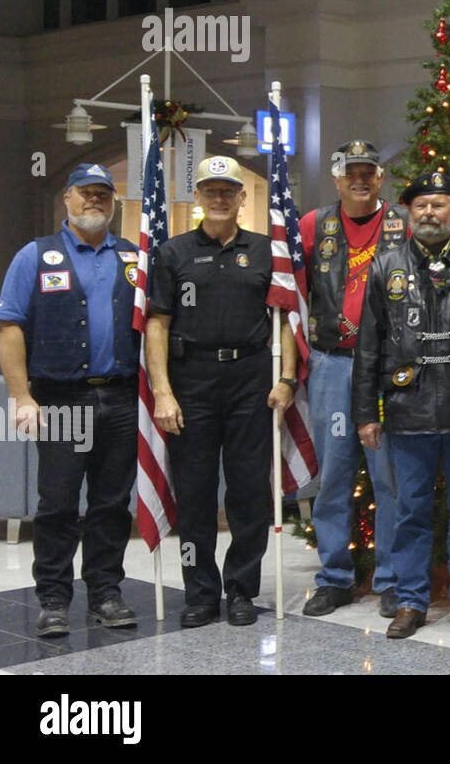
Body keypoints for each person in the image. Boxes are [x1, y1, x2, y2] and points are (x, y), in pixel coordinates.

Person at [145, 156, 296, 628]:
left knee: (250, 492)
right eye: (210, 190)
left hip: (250, 380)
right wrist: (163, 392)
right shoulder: (173, 253)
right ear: (198, 196)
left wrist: (287, 379)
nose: (218, 198)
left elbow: (285, 318)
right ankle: (201, 592)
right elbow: (157, 324)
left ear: (240, 197)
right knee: (194, 494)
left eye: (227, 190)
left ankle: (241, 590)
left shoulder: (266, 251)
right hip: (191, 381)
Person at [0, 164, 140, 637]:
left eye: (104, 194)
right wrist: (20, 395)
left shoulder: (134, 258)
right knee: (57, 503)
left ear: (113, 203)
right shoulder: (36, 256)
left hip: (120, 397)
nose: (94, 201)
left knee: (112, 503)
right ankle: (54, 598)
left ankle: (106, 593)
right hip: (59, 398)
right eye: (86, 193)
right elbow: (10, 325)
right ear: (67, 198)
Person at [352, 170, 450, 639]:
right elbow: (367, 346)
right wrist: (366, 414)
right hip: (407, 412)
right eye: (421, 206)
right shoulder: (384, 265)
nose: (430, 213)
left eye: (439, 204)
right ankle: (411, 601)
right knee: (410, 511)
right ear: (409, 213)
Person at [299, 140, 406, 620]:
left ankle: (392, 579)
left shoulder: (404, 223)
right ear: (336, 178)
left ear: (379, 177)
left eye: (368, 171)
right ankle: (334, 577)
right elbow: (290, 294)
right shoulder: (311, 225)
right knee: (334, 475)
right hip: (332, 364)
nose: (360, 179)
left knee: (390, 477)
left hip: (387, 367)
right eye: (350, 172)